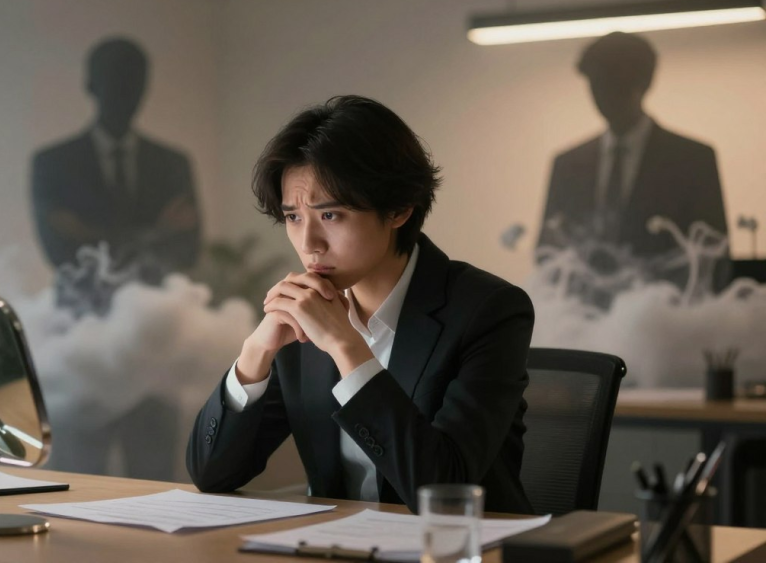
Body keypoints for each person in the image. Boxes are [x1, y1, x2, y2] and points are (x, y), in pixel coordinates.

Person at [186, 95, 535, 514]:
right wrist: (254, 354)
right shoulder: (304, 315)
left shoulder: (489, 311)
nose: (308, 243)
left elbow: (443, 488)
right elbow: (212, 474)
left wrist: (347, 348)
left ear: (399, 209)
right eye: (294, 218)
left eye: (330, 216)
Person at [537, 32, 729, 291]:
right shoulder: (567, 165)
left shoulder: (693, 161)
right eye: (596, 84)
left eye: (612, 82)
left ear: (643, 83)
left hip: (665, 320)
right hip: (580, 322)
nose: (603, 95)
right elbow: (546, 253)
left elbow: (715, 257)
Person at [31, 37, 201, 290]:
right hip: (81, 314)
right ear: (91, 85)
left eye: (135, 82)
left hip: (159, 308)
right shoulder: (53, 164)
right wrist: (156, 231)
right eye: (116, 79)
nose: (127, 92)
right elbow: (60, 252)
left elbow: (188, 249)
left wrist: (88, 233)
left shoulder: (172, 163)